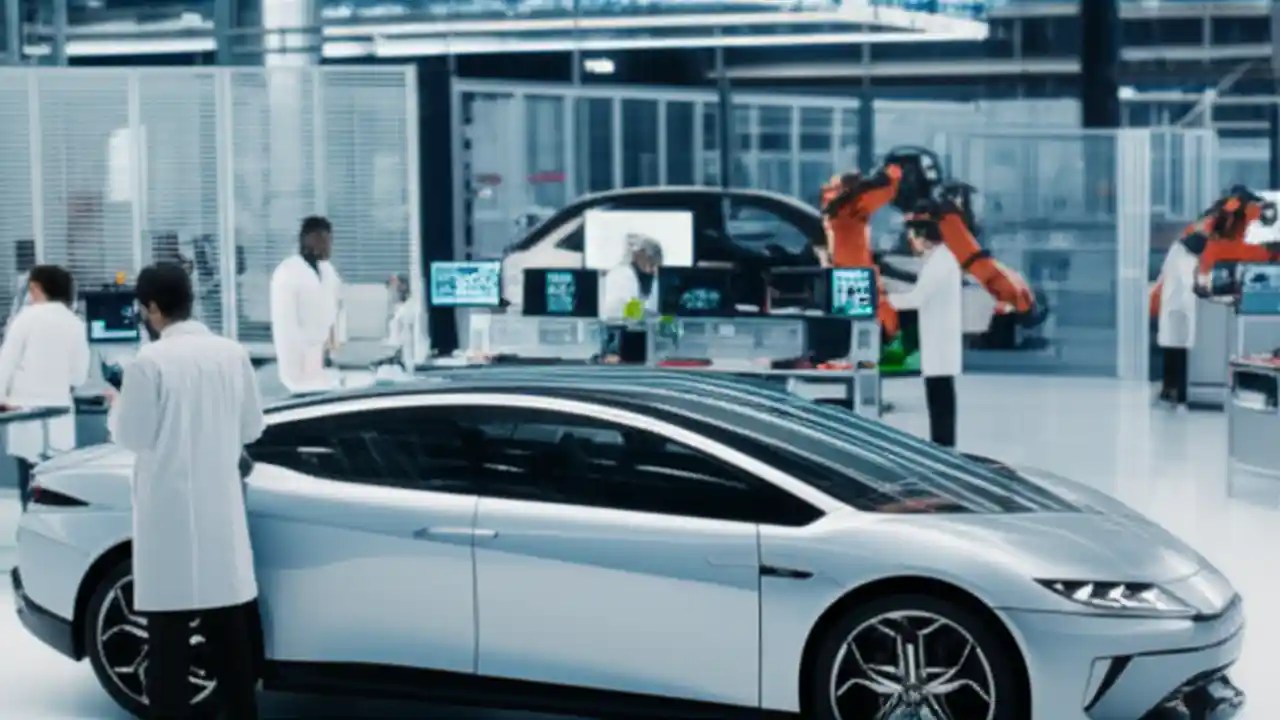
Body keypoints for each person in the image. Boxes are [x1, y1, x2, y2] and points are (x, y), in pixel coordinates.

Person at [108, 263, 265, 720]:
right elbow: (252, 427)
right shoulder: (232, 354)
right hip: (221, 517)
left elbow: (133, 437)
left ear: (153, 308)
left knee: (168, 652)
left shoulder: (148, 363)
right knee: (232, 647)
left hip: (168, 521)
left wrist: (117, 405)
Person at [0, 265, 89, 507]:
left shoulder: (25, 319)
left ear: (35, 288)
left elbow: (5, 363)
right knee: (57, 488)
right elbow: (78, 377)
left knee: (29, 488)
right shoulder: (75, 323)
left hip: (24, 414)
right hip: (59, 417)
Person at [889, 215, 963, 448]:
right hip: (938, 339)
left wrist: (884, 301)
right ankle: (942, 443)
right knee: (939, 395)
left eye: (914, 239)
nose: (912, 244)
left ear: (925, 239)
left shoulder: (940, 263)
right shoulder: (938, 260)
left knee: (940, 397)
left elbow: (917, 298)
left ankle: (942, 444)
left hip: (940, 341)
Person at [270, 216, 344, 393]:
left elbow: (337, 308)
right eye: (325, 240)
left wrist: (332, 348)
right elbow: (285, 326)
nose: (329, 246)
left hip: (323, 358)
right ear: (311, 240)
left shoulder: (328, 271)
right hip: (297, 361)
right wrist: (297, 365)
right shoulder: (287, 273)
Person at [1156, 232, 1204, 409]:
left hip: (1176, 307)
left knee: (1174, 349)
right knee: (1178, 351)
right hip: (1180, 307)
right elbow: (1189, 282)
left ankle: (1171, 391)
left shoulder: (1177, 250)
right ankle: (1177, 392)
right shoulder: (1183, 254)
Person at [600, 234, 663, 320]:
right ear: (640, 256)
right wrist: (660, 318)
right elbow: (632, 312)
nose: (653, 270)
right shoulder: (623, 275)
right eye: (651, 264)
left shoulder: (646, 278)